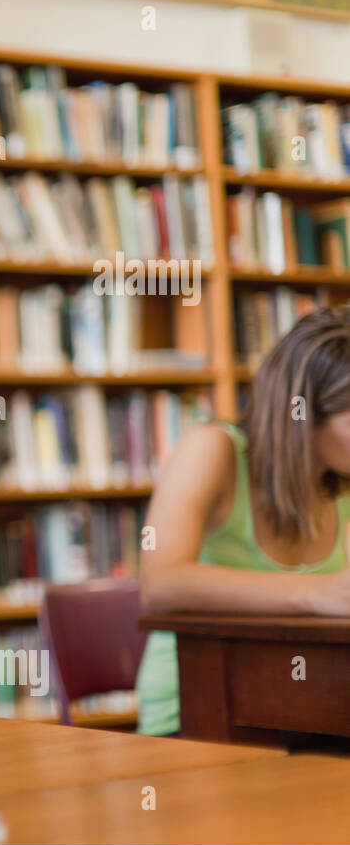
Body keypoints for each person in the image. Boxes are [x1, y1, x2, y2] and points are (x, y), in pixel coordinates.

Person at [137, 305, 350, 736]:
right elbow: (160, 585)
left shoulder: (340, 481)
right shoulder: (212, 449)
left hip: (310, 709)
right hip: (204, 711)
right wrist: (318, 594)